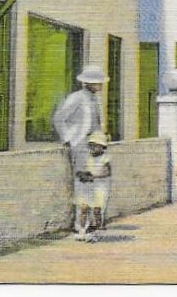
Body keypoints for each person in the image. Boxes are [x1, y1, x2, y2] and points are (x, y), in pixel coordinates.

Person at [53, 64, 106, 237]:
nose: (100, 85)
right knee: (82, 182)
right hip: (80, 144)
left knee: (94, 182)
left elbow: (96, 123)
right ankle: (80, 224)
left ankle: (90, 223)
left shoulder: (94, 100)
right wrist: (69, 139)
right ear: (88, 83)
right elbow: (59, 118)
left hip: (93, 145)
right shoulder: (76, 98)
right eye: (97, 82)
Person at [73, 130, 111, 242]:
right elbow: (82, 169)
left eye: (95, 146)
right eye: (91, 146)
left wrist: (94, 176)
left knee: (96, 210)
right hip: (87, 187)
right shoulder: (88, 157)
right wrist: (82, 174)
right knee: (84, 208)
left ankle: (96, 231)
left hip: (99, 187)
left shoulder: (105, 158)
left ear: (102, 147)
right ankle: (82, 230)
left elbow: (107, 172)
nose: (93, 148)